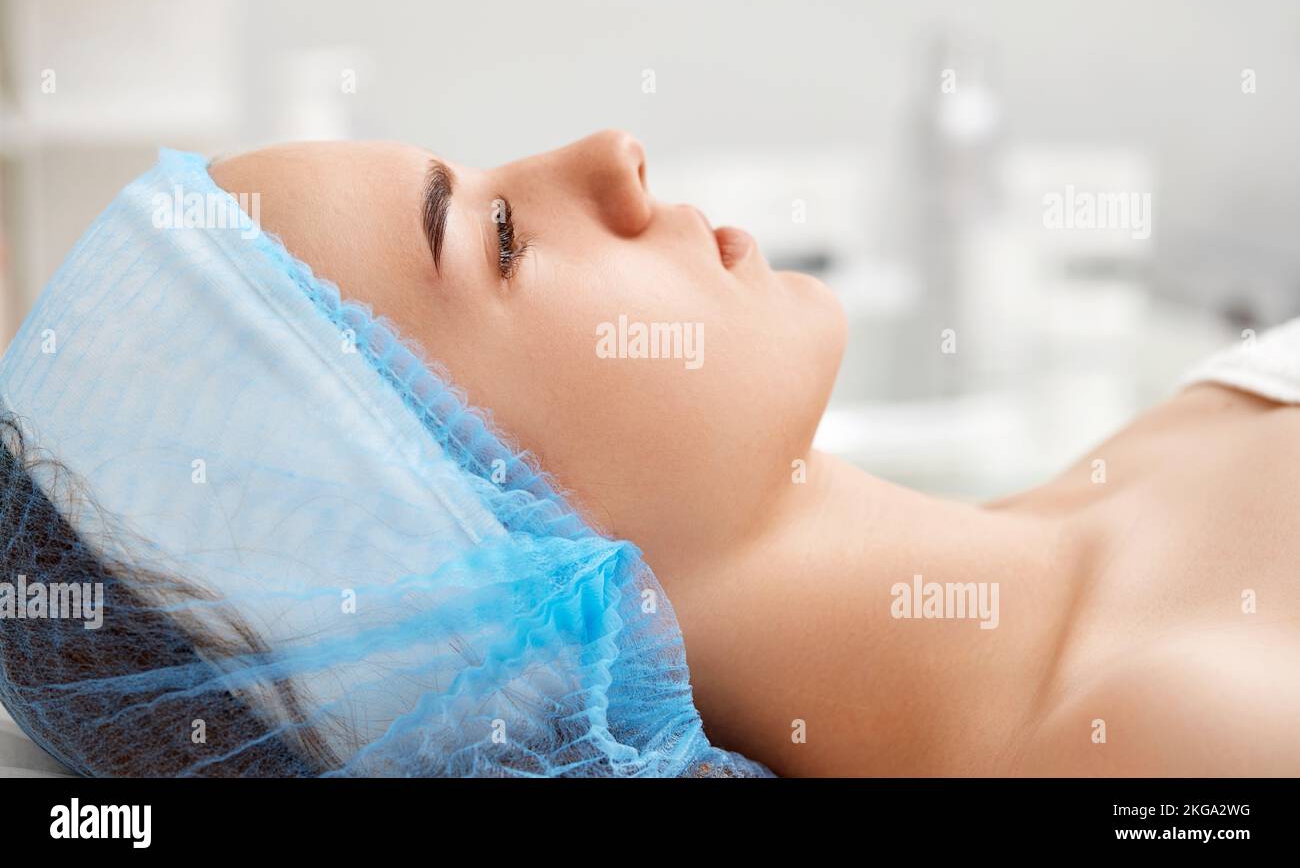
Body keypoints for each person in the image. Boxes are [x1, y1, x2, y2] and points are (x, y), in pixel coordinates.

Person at [1, 132, 1296, 777]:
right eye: (495, 238)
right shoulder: (1175, 737)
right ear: (483, 569)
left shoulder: (1124, 489)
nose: (610, 157)